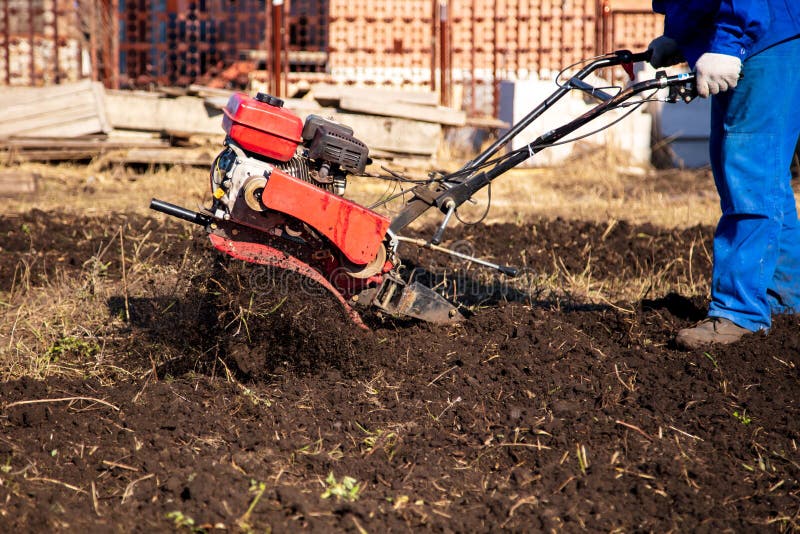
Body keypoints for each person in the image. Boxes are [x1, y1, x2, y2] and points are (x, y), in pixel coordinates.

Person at [647, 1, 800, 350]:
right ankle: (785, 298)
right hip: (761, 34)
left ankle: (739, 312)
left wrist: (733, 40)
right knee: (757, 171)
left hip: (762, 34)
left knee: (749, 173)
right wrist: (681, 36)